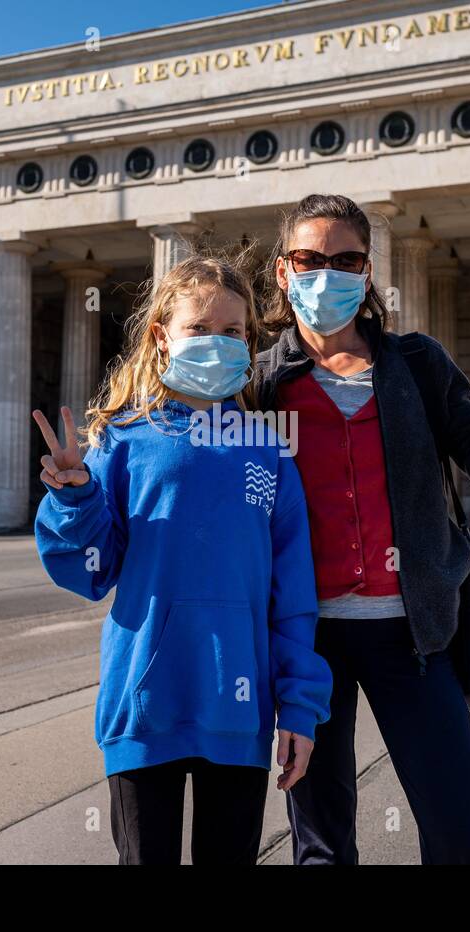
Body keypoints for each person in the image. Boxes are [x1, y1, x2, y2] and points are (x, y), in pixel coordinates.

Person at [254, 193, 470, 864]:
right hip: (307, 641)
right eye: (309, 258)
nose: (326, 273)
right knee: (322, 842)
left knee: (463, 830)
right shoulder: (263, 382)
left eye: (346, 258)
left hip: (412, 633)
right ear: (282, 271)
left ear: (367, 271)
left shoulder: (415, 363)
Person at [33, 256, 334, 865]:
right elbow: (89, 572)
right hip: (144, 708)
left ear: (249, 343)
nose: (216, 342)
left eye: (232, 332)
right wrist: (74, 498)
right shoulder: (122, 438)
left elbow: (294, 598)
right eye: (199, 328)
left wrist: (299, 707)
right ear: (161, 335)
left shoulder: (269, 450)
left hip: (239, 709)